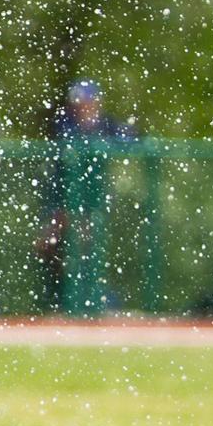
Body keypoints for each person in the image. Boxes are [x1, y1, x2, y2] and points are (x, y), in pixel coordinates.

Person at [37, 80, 138, 313]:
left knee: (88, 253)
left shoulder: (104, 125)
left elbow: (130, 138)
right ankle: (64, 304)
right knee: (58, 250)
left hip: (91, 202)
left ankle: (96, 303)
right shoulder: (66, 126)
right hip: (64, 201)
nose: (84, 108)